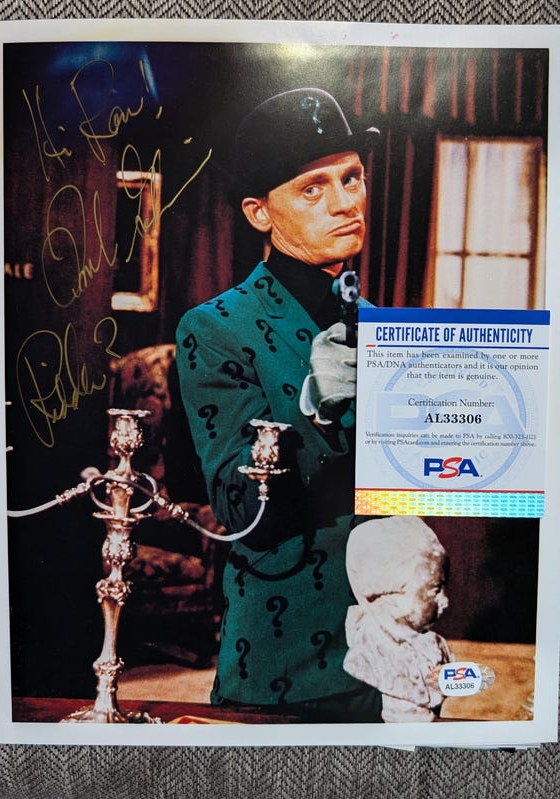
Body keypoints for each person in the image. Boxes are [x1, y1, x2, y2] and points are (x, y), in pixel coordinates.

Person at [176, 88, 382, 722]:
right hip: (284, 655)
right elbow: (241, 510)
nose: (345, 202)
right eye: (313, 189)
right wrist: (313, 412)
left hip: (390, 645)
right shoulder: (216, 327)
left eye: (352, 178)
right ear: (260, 213)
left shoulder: (386, 326)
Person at [343, 516, 452, 722]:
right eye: (435, 589)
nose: (445, 601)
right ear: (390, 593)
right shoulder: (368, 651)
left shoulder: (435, 646)